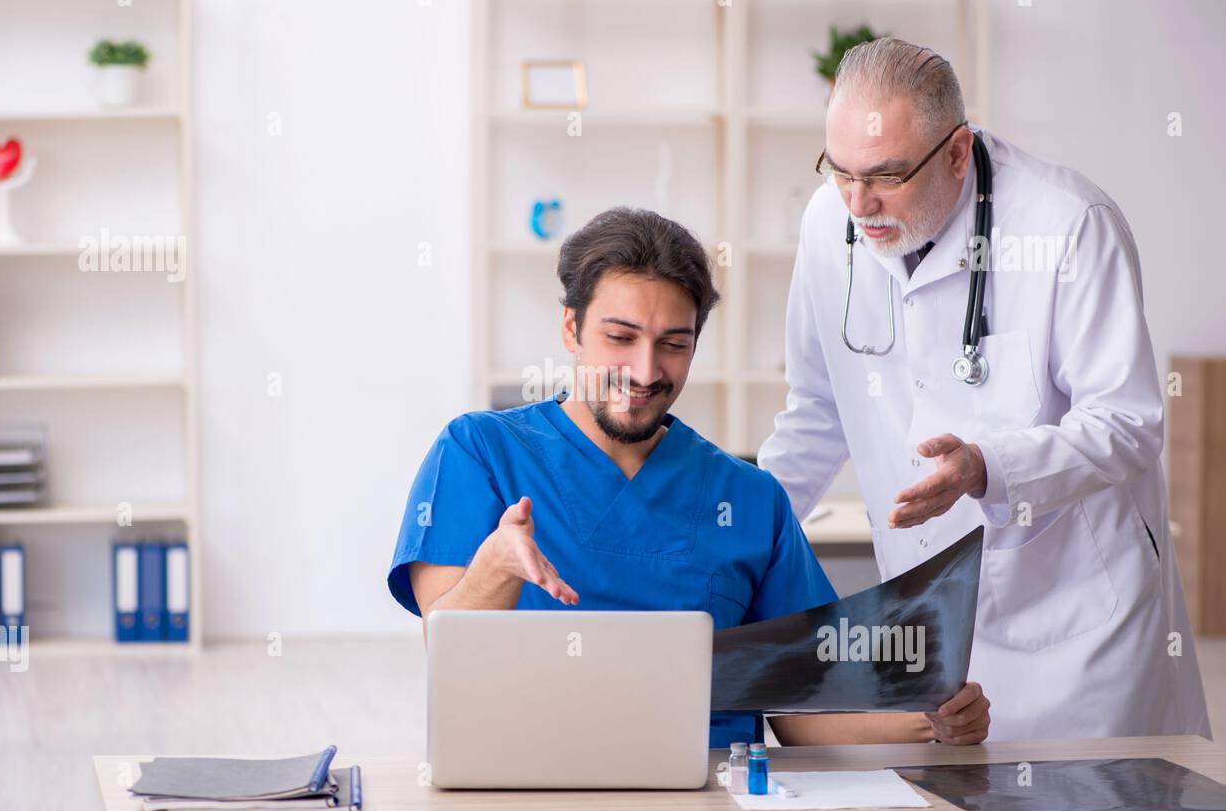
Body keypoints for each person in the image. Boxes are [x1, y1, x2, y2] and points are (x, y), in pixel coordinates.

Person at [389, 205, 990, 748]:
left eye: (673, 344)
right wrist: (496, 564)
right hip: (527, 784)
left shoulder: (749, 498)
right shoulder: (479, 451)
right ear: (570, 328)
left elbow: (800, 707)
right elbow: (448, 657)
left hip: (708, 790)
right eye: (620, 338)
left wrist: (927, 719)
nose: (646, 371)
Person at [759, 37, 1210, 740]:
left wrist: (988, 467)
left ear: (957, 153)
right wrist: (739, 523)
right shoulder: (830, 224)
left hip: (1078, 628)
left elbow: (1127, 422)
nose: (859, 202)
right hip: (932, 624)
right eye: (839, 171)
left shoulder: (1068, 225)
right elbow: (818, 408)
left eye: (885, 175)